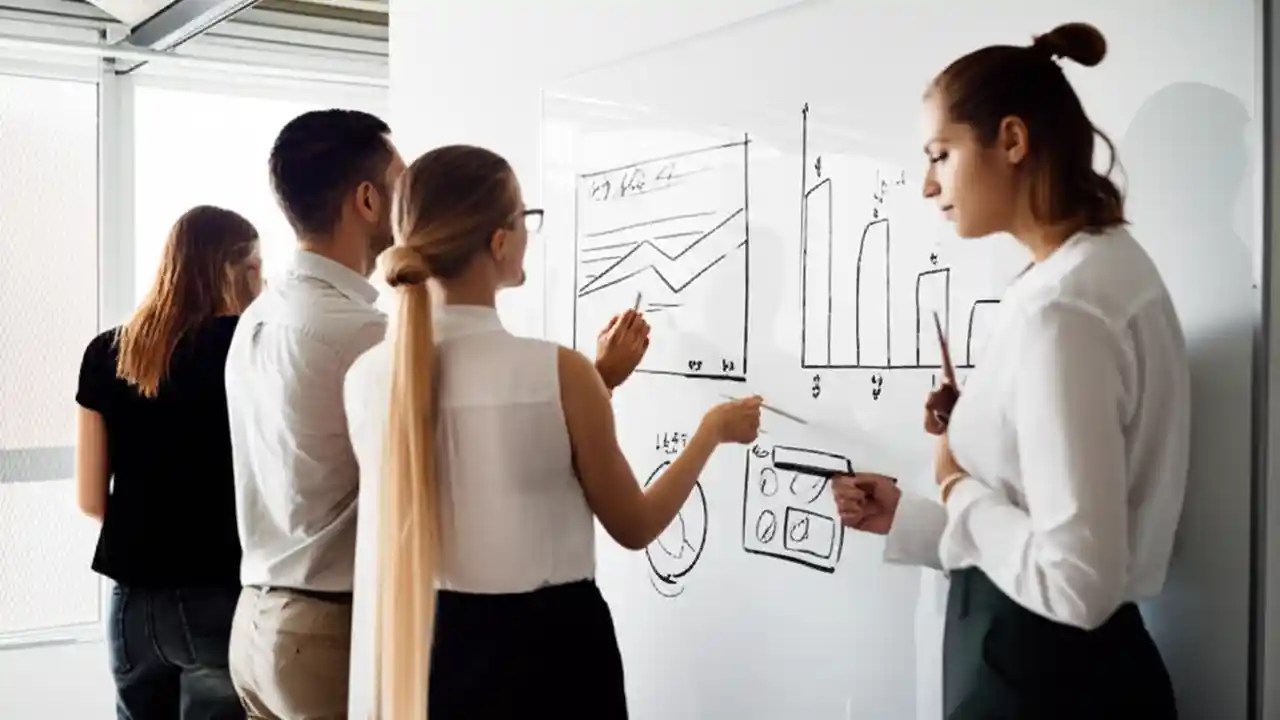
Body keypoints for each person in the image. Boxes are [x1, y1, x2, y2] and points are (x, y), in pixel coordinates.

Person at [832, 23, 1188, 719]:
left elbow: (1076, 582)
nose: (929, 184)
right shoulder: (1087, 277)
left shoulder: (1066, 310)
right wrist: (916, 514)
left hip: (1047, 681)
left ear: (1014, 142)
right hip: (1047, 667)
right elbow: (1042, 522)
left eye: (941, 154)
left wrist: (956, 481)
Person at [341, 144, 763, 718]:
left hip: (428, 651)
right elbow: (635, 526)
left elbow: (484, 459)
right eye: (523, 219)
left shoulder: (367, 376)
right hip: (552, 658)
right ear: (499, 241)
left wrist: (598, 382)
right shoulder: (560, 373)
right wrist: (711, 431)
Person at [225, 109, 405, 719]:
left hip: (256, 621)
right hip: (325, 628)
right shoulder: (360, 332)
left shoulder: (261, 313)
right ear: (367, 200)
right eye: (403, 184)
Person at [75, 205, 262, 720]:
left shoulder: (108, 352)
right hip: (221, 593)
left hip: (130, 603)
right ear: (239, 270)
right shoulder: (251, 352)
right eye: (259, 268)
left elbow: (92, 500)